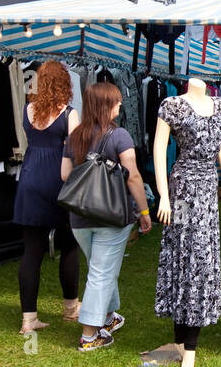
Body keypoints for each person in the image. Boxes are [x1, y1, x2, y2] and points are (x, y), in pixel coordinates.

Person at [61, 82, 153, 351]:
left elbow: (65, 175)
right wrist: (144, 211)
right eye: (117, 101)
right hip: (112, 216)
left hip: (79, 216)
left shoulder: (75, 136)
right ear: (105, 105)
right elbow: (133, 176)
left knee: (100, 268)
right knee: (101, 273)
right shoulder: (119, 136)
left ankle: (109, 317)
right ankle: (90, 335)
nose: (121, 105)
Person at [13, 61, 82, 334]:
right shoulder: (69, 114)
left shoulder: (27, 110)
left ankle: (28, 318)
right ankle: (70, 308)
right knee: (70, 246)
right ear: (64, 85)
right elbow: (75, 153)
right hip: (59, 183)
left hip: (30, 180)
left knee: (31, 252)